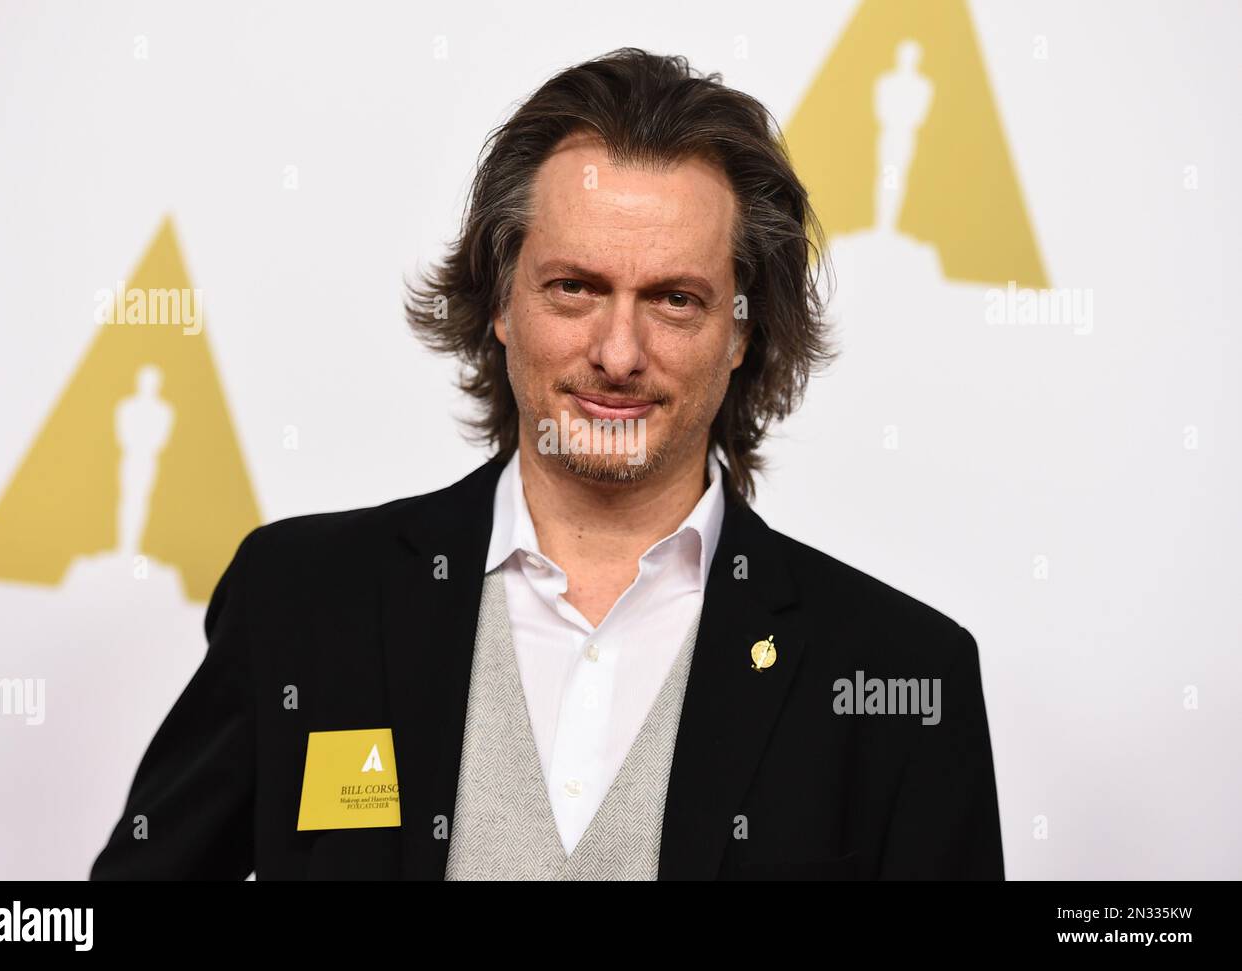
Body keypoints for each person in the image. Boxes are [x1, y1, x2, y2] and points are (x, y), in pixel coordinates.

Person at [91, 47, 1003, 881]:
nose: (617, 351)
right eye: (575, 287)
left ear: (742, 333)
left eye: (676, 299)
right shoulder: (302, 602)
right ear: (499, 300)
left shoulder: (901, 676)